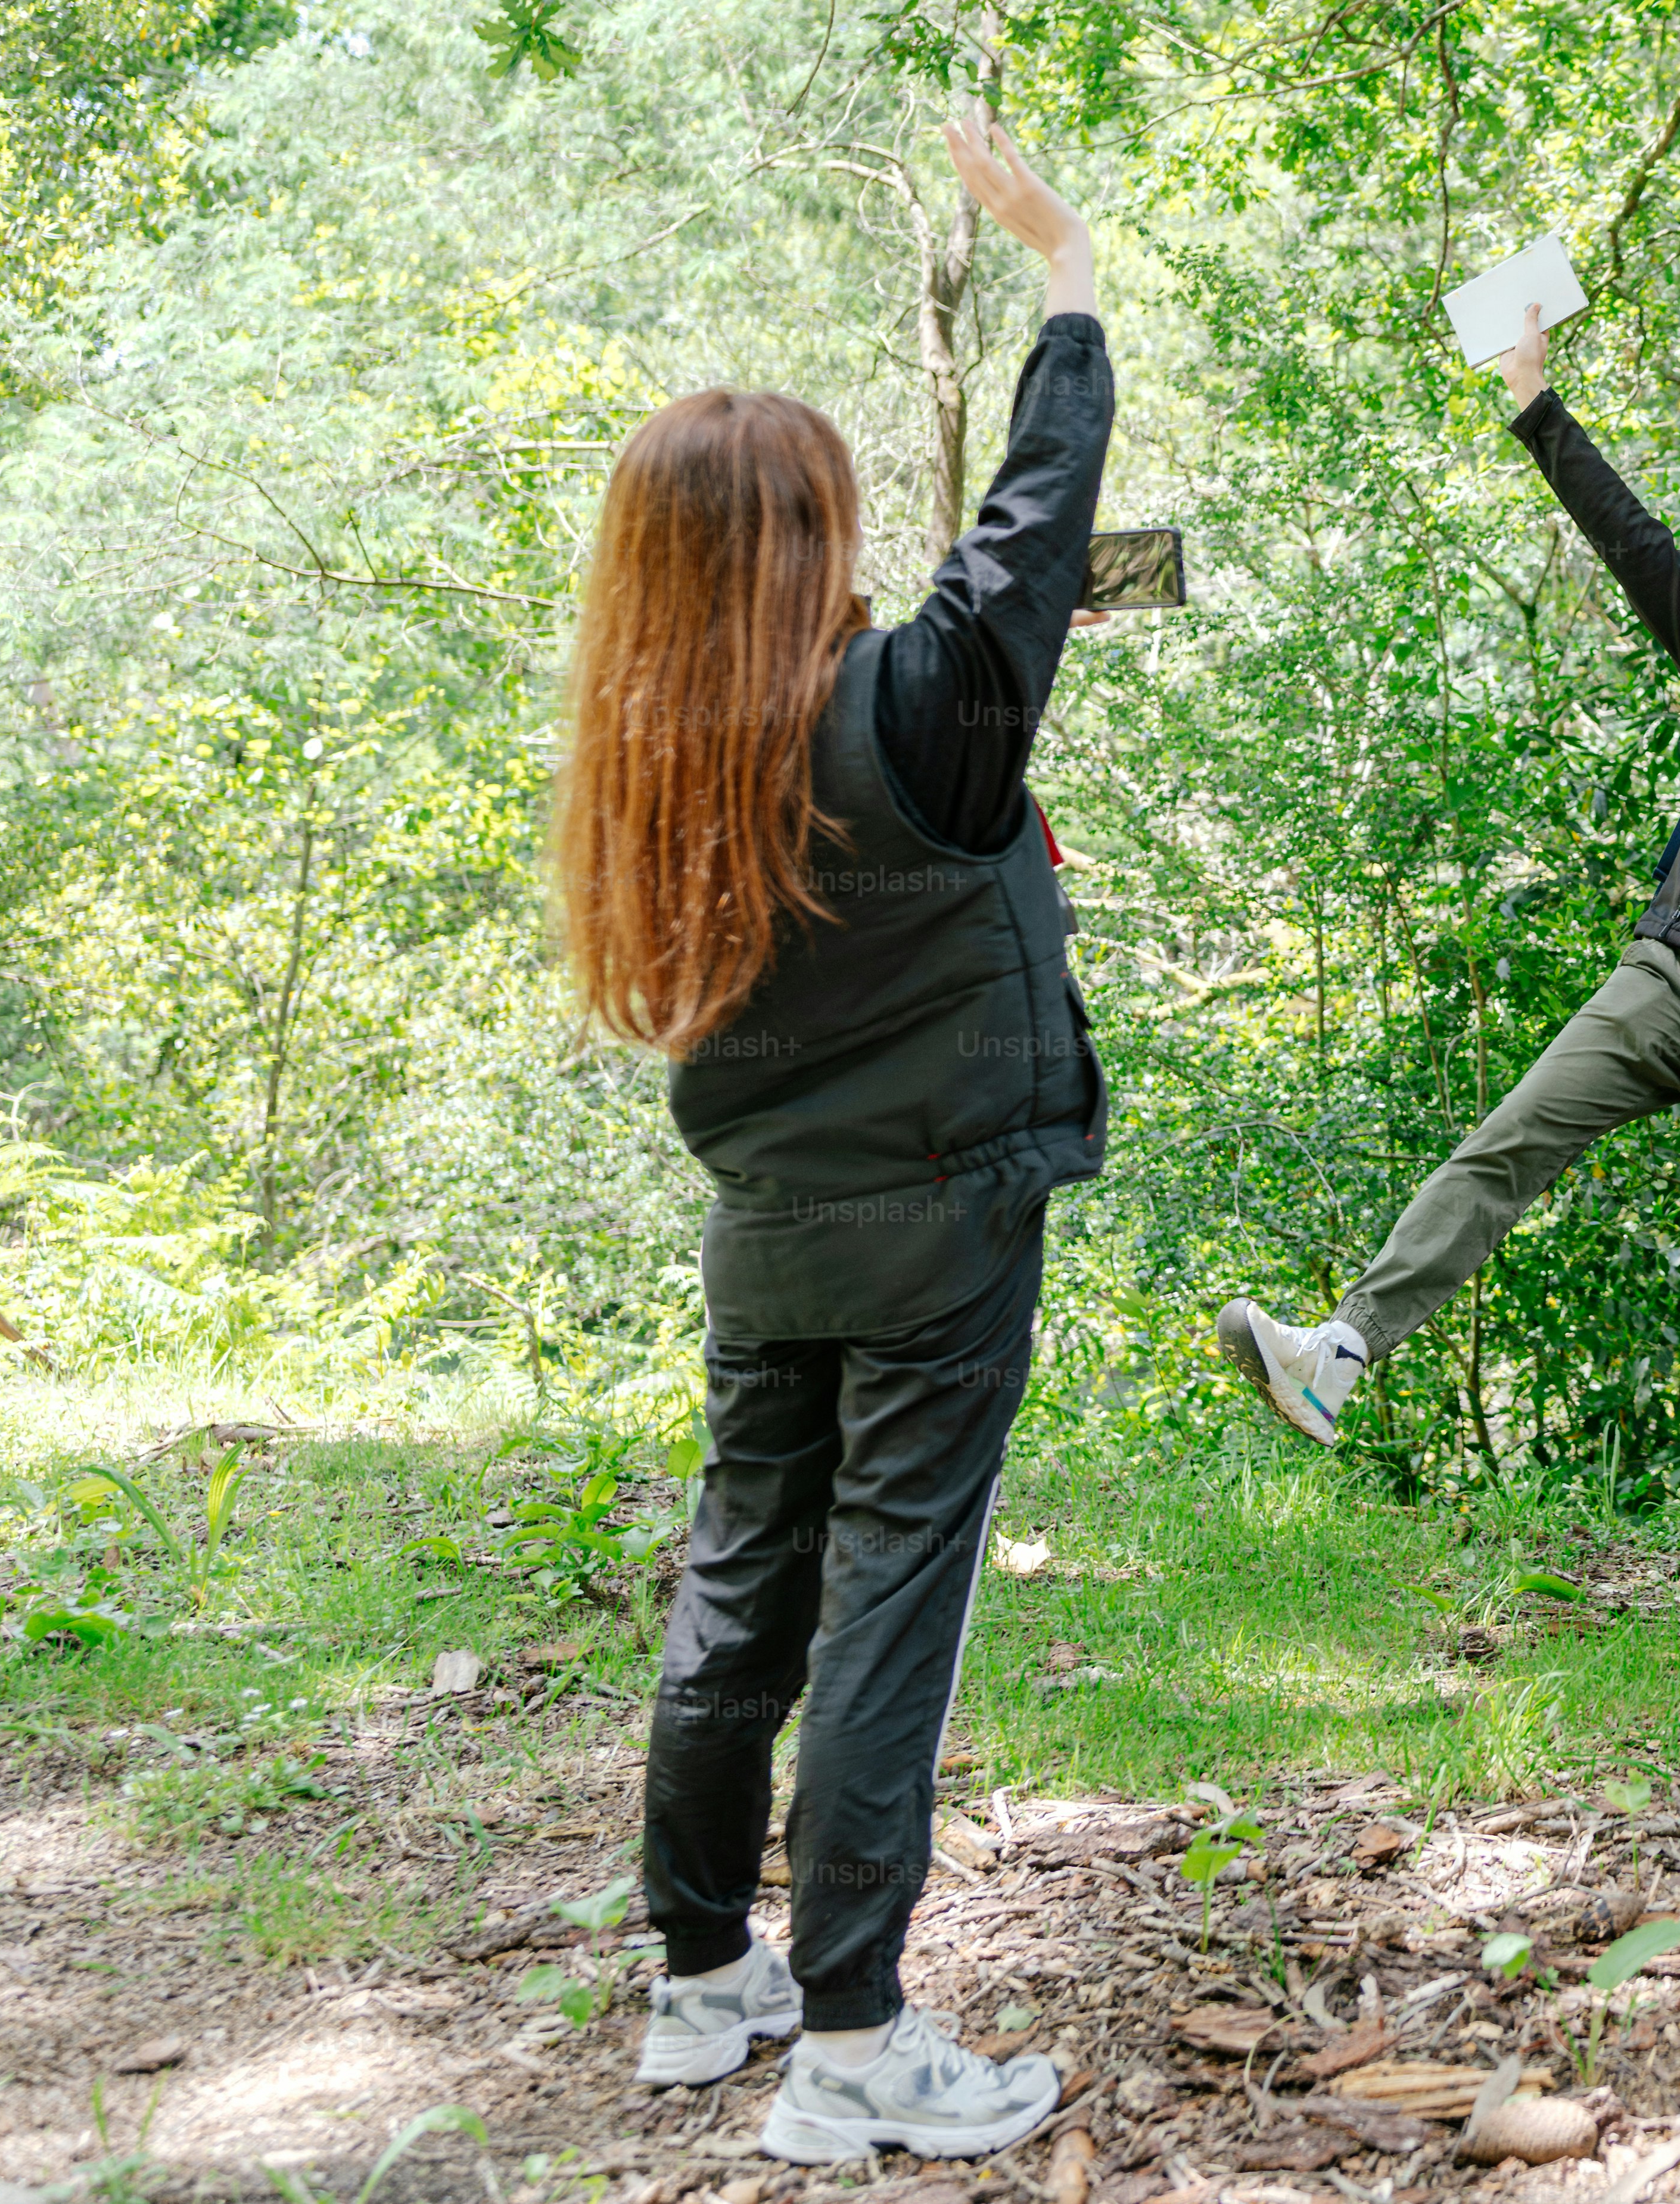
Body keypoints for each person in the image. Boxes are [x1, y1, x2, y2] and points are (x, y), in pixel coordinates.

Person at [555, 111, 1108, 2162]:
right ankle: (856, 2040)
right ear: (806, 541)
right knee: (893, 1597)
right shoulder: (920, 705)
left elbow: (1008, 560)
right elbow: (1036, 521)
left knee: (742, 1579)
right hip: (940, 1231)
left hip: (770, 1225)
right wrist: (1062, 269)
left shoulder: (650, 759)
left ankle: (704, 1973)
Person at [1215, 304, 1680, 1614]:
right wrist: (1534, 401)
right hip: (1668, 974)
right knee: (1507, 1141)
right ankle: (1339, 1350)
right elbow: (1630, 539)